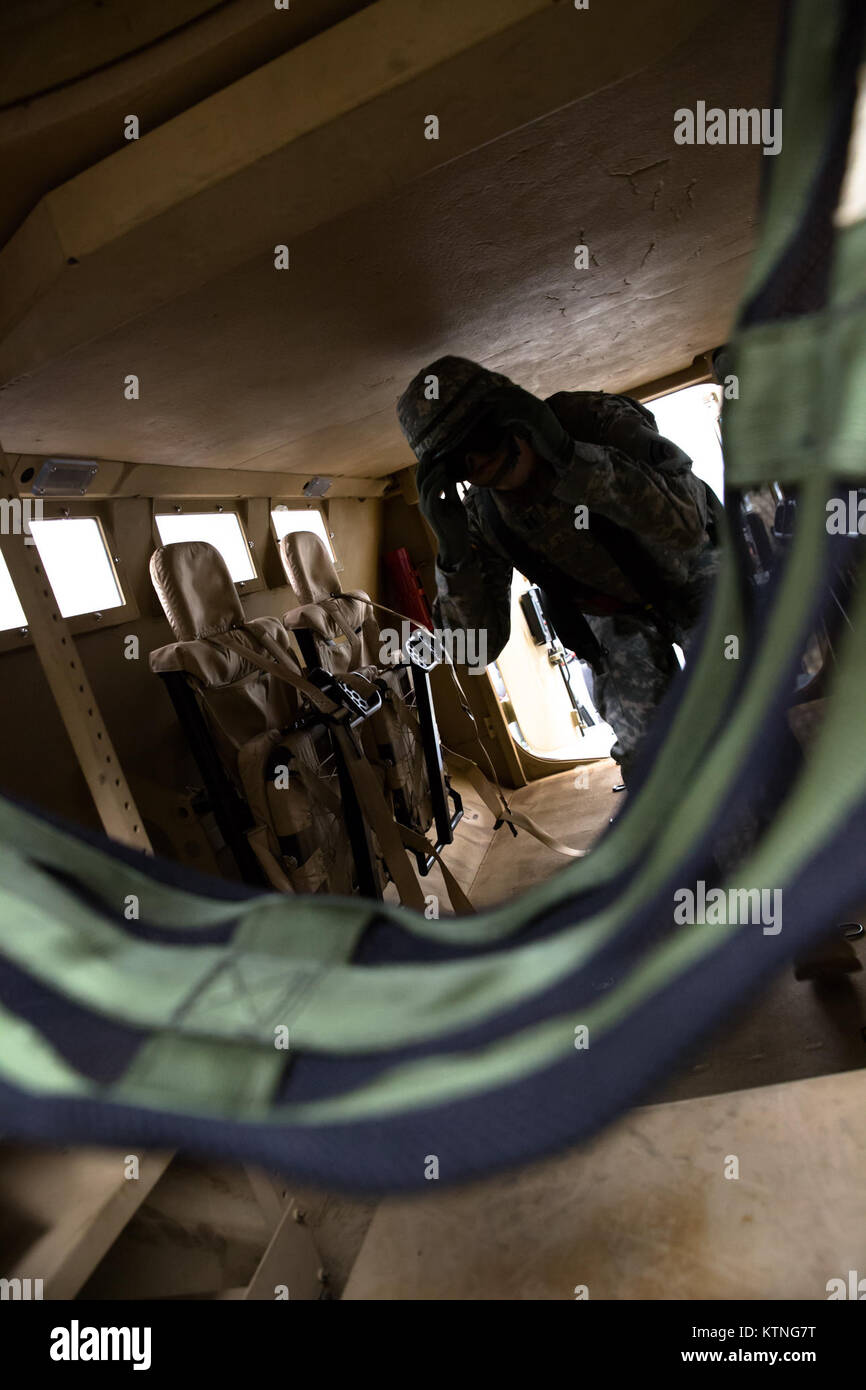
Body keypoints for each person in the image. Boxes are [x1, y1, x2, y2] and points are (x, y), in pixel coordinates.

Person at [396, 355, 721, 781]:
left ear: (510, 413)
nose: (477, 460)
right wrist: (453, 553)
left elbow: (686, 528)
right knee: (649, 753)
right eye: (458, 459)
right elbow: (473, 651)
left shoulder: (592, 421)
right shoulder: (482, 517)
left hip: (693, 575)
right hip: (613, 611)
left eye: (480, 435)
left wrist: (571, 460)